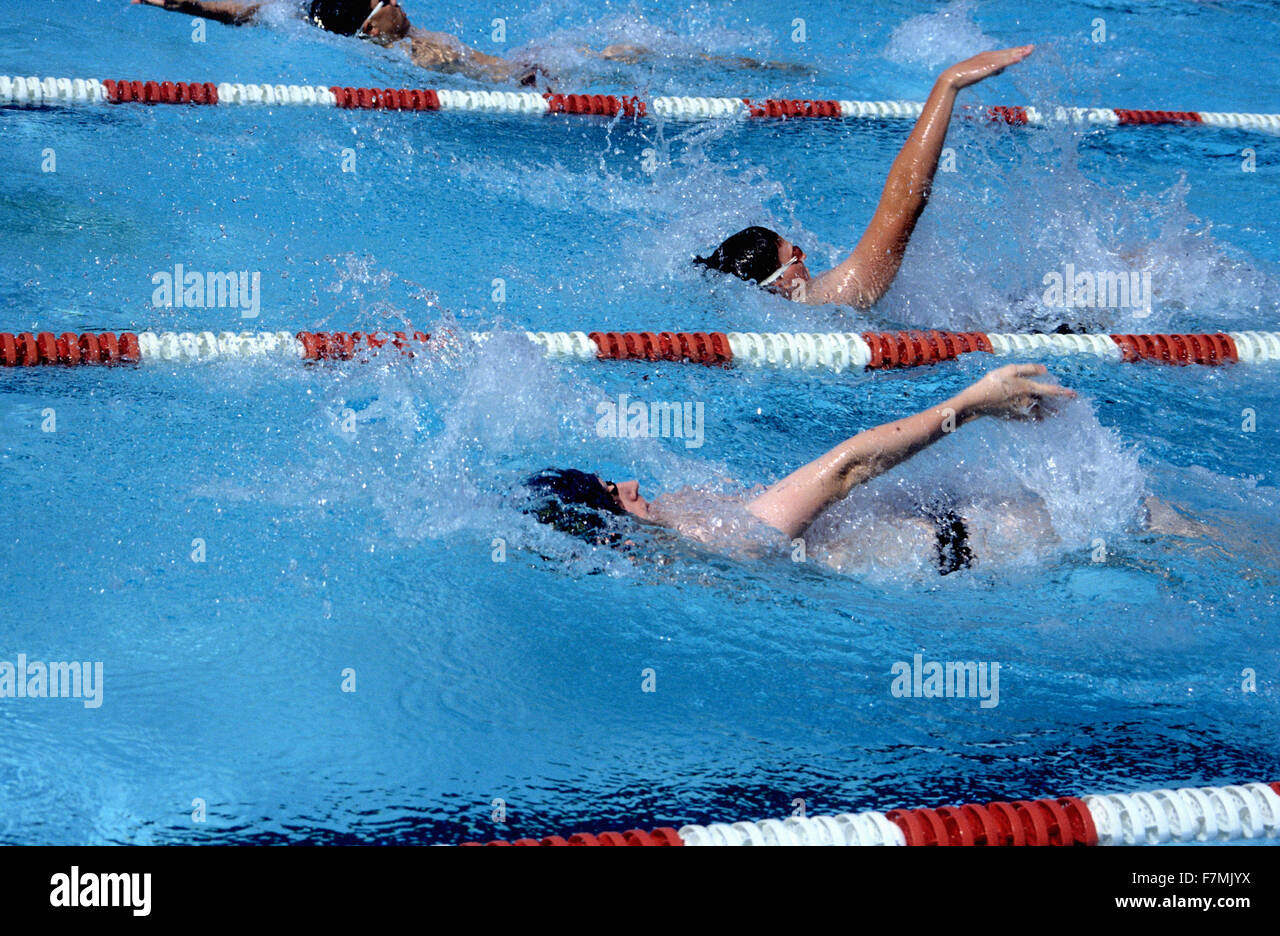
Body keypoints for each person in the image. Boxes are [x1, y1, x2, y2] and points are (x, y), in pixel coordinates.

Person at [523, 363, 1077, 573]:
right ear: (617, 530)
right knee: (1143, 521)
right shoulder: (715, 539)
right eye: (615, 491)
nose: (632, 483)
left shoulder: (672, 535)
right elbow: (847, 469)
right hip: (975, 537)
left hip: (945, 526)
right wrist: (976, 402)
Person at [695, 45, 1035, 310]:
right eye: (795, 253)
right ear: (781, 283)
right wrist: (949, 83)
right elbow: (905, 201)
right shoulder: (839, 296)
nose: (806, 258)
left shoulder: (790, 315)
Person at [131, 1, 775, 86]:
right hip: (403, 35)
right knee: (525, 70)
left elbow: (237, 11)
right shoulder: (288, 7)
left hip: (410, 44)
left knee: (526, 76)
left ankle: (632, 60)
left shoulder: (290, 9)